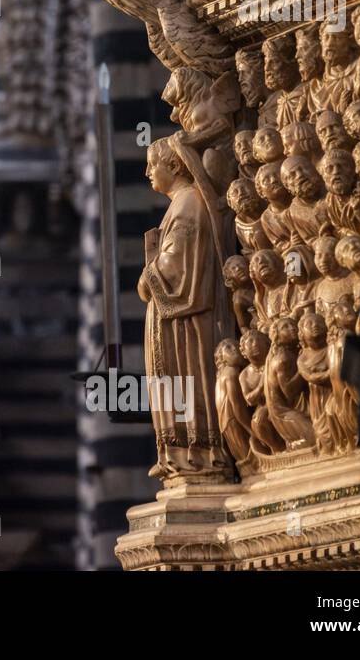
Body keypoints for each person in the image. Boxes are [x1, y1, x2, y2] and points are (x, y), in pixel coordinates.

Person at [137, 138, 230, 480]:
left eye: (153, 165)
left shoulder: (189, 202)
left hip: (184, 319)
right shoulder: (180, 204)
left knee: (186, 377)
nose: (148, 172)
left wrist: (148, 275)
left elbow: (176, 267)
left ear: (174, 166)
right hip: (171, 316)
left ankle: (197, 454)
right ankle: (176, 453)